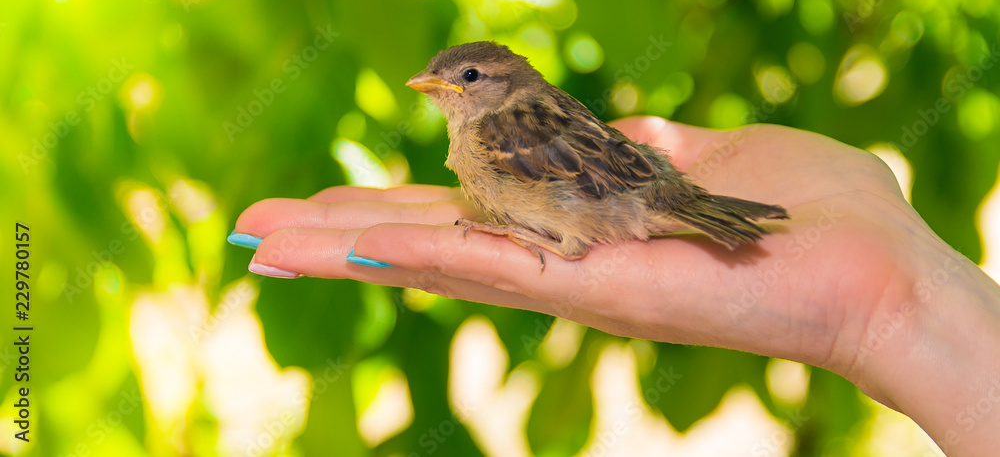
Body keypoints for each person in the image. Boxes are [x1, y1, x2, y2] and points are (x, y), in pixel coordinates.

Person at [232, 117, 1000, 456]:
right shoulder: (511, 123)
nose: (445, 90)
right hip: (636, 191)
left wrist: (515, 227)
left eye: (464, 79)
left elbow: (584, 183)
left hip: (607, 206)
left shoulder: (499, 134)